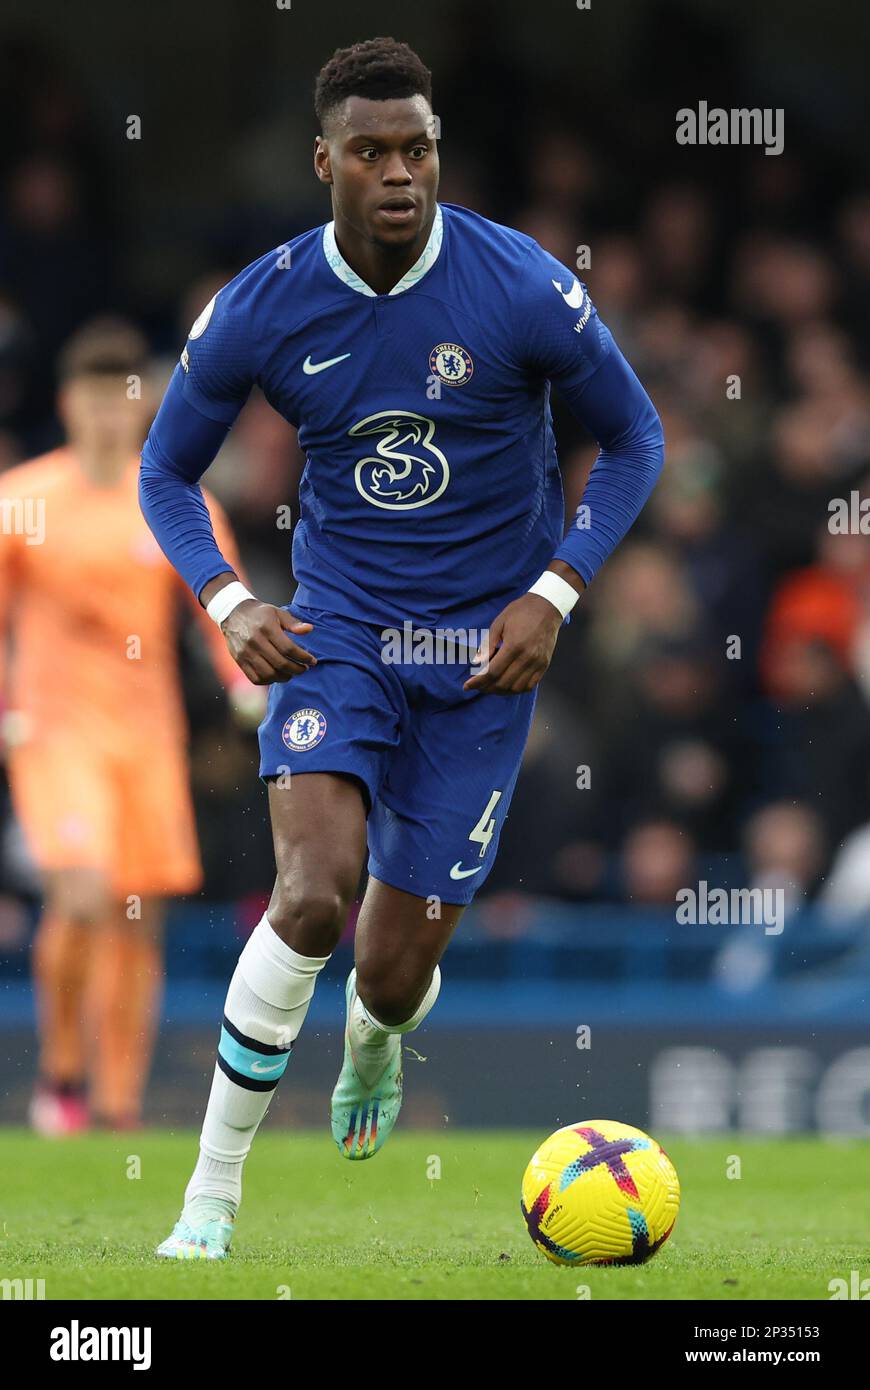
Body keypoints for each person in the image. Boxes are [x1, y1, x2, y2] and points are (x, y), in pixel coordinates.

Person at [139, 37, 664, 1260]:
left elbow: (634, 437)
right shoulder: (262, 304)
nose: (399, 174)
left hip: (486, 656)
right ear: (324, 160)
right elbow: (166, 471)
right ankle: (207, 1202)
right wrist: (226, 600)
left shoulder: (523, 286)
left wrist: (558, 590)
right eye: (371, 152)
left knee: (384, 972)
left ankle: (374, 1040)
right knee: (312, 896)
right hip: (345, 637)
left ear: (438, 155)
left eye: (417, 150)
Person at [0, 318, 257, 1133]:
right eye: (97, 397)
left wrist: (241, 677)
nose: (112, 413)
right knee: (79, 894)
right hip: (54, 733)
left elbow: (222, 603)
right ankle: (63, 1074)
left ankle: (115, 1107)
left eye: (126, 397)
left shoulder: (175, 501)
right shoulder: (23, 502)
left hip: (147, 739)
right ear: (69, 402)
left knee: (138, 922)